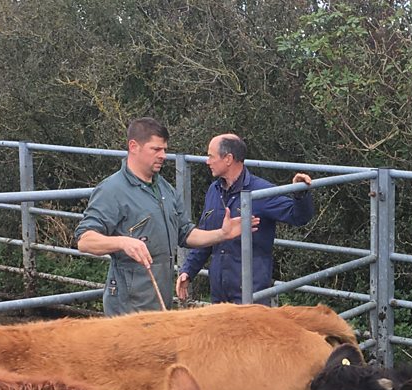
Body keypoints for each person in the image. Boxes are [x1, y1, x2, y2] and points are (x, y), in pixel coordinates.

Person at [75, 118, 256, 316]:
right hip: (127, 310)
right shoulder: (112, 190)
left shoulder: (165, 189)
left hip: (160, 303)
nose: (163, 155)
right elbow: (85, 240)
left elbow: (186, 234)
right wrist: (122, 242)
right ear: (133, 146)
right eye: (156, 149)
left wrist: (222, 234)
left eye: (164, 149)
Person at [175, 134, 314, 305]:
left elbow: (299, 217)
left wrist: (300, 192)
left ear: (228, 159)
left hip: (250, 295)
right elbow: (207, 236)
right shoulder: (214, 190)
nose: (207, 161)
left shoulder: (261, 193)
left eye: (211, 156)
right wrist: (188, 270)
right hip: (219, 294)